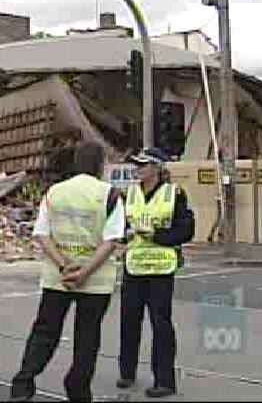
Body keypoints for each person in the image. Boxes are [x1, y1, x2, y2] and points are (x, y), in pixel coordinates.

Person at [10, 141, 125, 402]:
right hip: (95, 281)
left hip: (58, 277)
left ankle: (24, 382)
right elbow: (111, 241)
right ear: (100, 165)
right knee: (87, 336)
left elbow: (41, 234)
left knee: (44, 331)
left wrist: (63, 264)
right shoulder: (110, 195)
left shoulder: (55, 192)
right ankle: (77, 387)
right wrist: (84, 272)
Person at [117, 147, 195, 398]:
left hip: (161, 268)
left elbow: (186, 231)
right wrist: (123, 237)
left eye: (143, 165)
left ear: (157, 168)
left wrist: (157, 236)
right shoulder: (129, 194)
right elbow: (120, 226)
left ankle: (164, 381)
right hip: (134, 266)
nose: (138, 169)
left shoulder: (174, 194)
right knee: (129, 322)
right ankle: (126, 373)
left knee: (161, 324)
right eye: (137, 165)